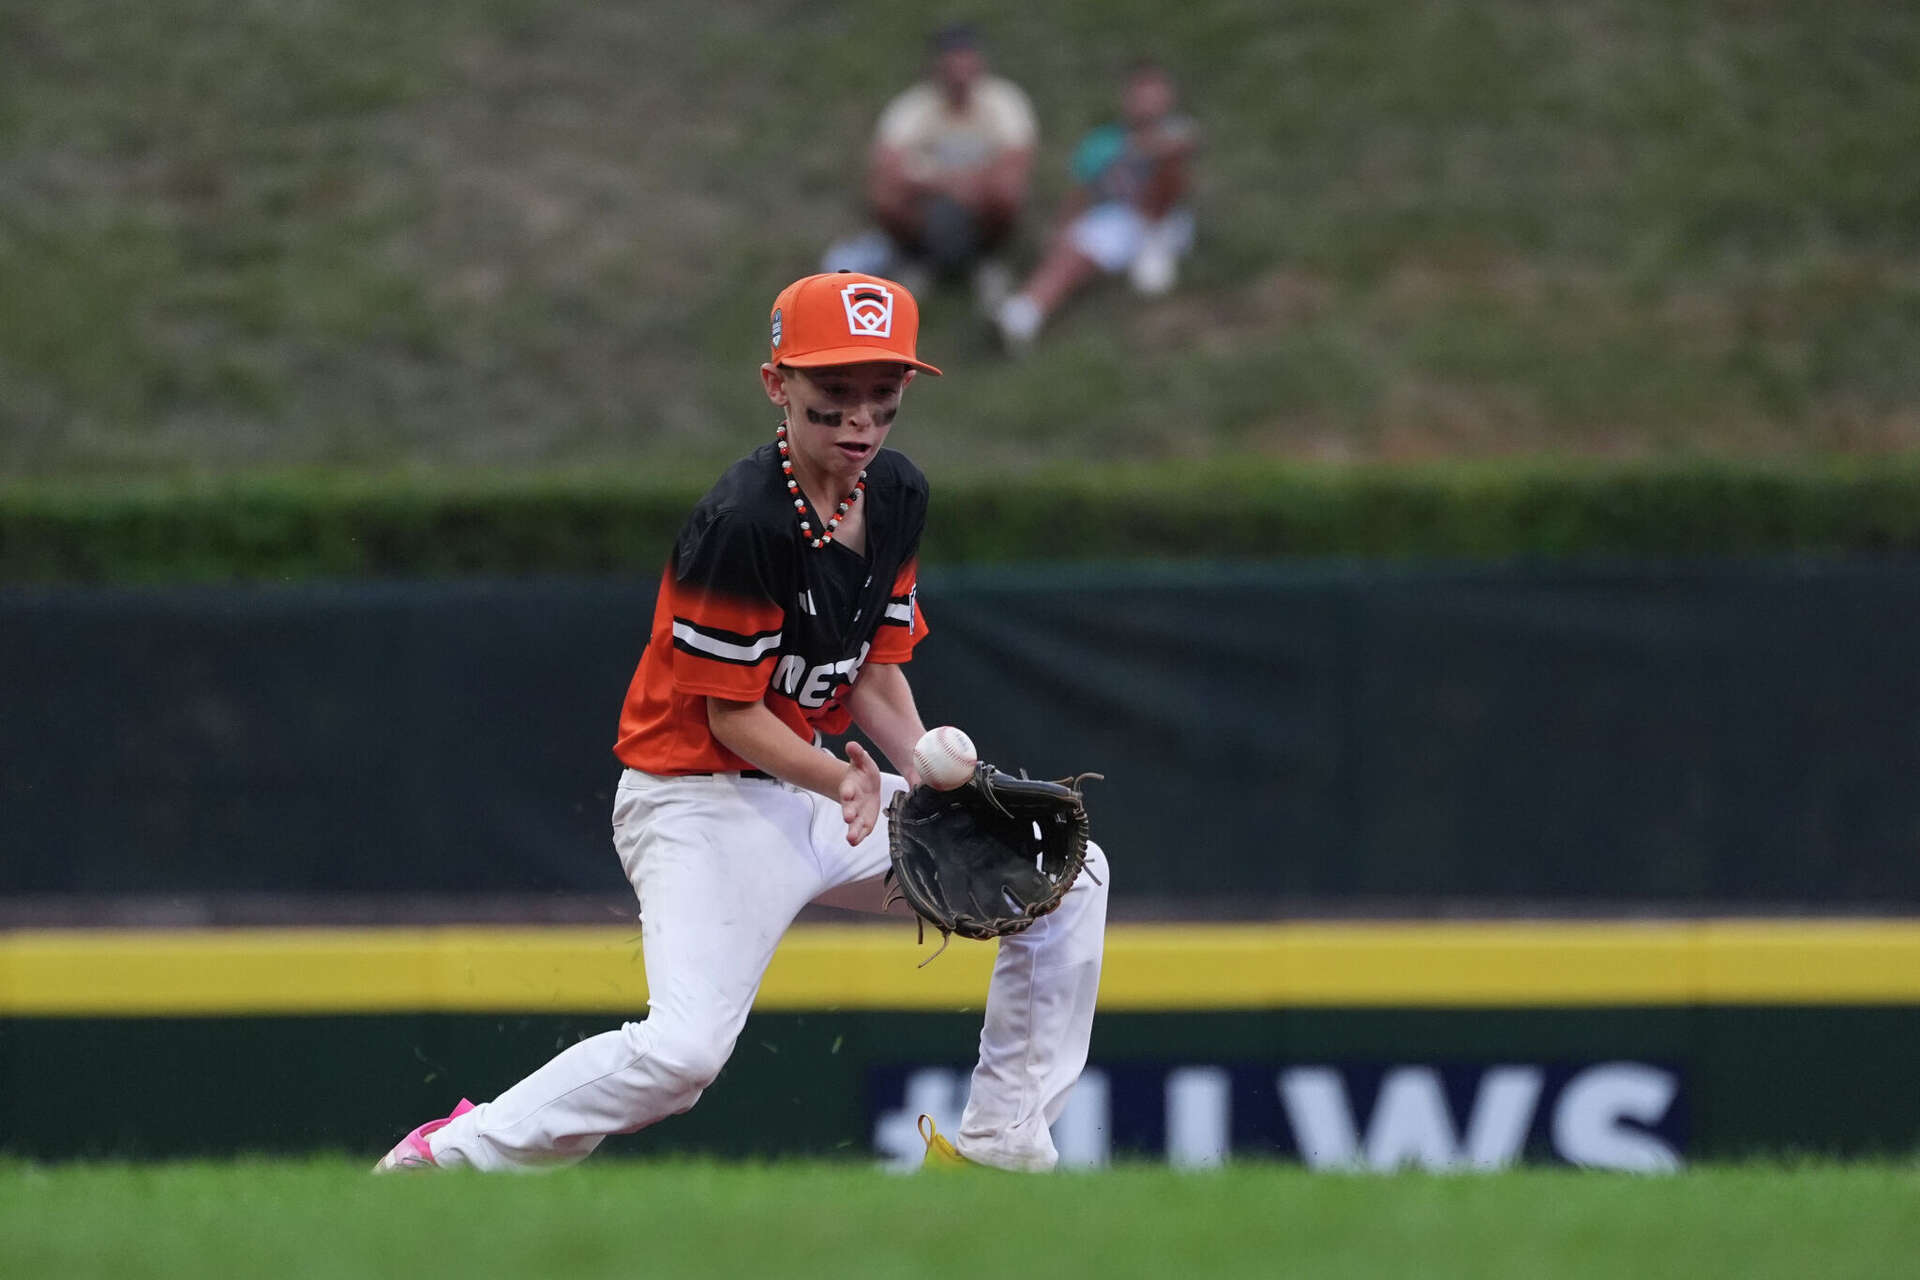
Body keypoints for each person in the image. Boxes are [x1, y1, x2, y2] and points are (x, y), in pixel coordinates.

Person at [374, 271, 1110, 1174]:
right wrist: (841, 778)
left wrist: (921, 766)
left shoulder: (897, 495)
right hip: (695, 801)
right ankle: (448, 1156)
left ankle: (1002, 1148)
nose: (859, 420)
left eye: (881, 396)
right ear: (777, 386)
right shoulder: (742, 521)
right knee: (682, 1057)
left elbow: (875, 676)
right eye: (832, 393)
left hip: (813, 788)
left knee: (1066, 878)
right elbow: (730, 716)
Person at [821, 25, 1037, 314]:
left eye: (966, 61)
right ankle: (917, 258)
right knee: (885, 196)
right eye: (952, 63)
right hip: (929, 204)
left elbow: (1016, 161)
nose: (959, 73)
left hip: (977, 201)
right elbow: (886, 163)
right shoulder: (913, 107)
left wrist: (953, 181)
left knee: (1008, 192)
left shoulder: (1004, 101)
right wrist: (951, 184)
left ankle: (986, 259)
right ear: (938, 67)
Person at [994, 60, 1199, 352]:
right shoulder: (1102, 143)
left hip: (1167, 222)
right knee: (1075, 246)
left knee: (1168, 166)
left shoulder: (1178, 132)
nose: (1147, 103)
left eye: (1154, 92)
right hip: (1117, 221)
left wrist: (1144, 148)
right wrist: (1063, 231)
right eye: (1140, 93)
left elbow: (1180, 155)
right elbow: (1080, 195)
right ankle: (1024, 313)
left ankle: (1153, 245)